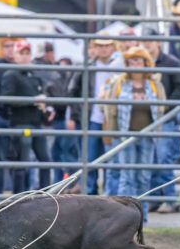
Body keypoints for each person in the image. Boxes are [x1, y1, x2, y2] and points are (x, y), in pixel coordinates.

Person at [101, 47, 165, 219]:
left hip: (147, 135)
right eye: (131, 60)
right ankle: (125, 216)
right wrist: (111, 131)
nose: (135, 64)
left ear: (146, 63)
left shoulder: (154, 83)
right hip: (124, 134)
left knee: (143, 176)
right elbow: (109, 107)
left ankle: (141, 215)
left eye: (139, 60)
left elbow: (162, 106)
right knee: (126, 176)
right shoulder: (119, 82)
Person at [68, 29, 122, 195]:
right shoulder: (87, 66)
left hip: (113, 118)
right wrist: (79, 113)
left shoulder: (119, 67)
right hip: (93, 118)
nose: (104, 49)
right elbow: (73, 90)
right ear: (95, 47)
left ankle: (108, 194)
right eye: (100, 46)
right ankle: (89, 194)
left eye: (107, 46)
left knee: (111, 159)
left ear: (113, 47)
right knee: (89, 159)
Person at [142, 31, 180, 211]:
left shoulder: (172, 63)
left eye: (150, 41)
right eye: (144, 41)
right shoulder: (143, 63)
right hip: (147, 117)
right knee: (152, 158)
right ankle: (155, 198)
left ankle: (169, 199)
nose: (147, 44)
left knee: (163, 158)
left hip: (164, 118)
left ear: (158, 43)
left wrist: (166, 107)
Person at [1, 40, 52, 193]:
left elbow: (41, 95)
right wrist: (33, 101)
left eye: (27, 53)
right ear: (15, 55)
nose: (24, 57)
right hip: (20, 124)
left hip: (36, 123)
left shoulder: (34, 75)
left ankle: (45, 196)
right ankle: (18, 197)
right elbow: (7, 100)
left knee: (45, 161)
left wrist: (47, 107)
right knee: (22, 163)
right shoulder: (10, 75)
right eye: (21, 53)